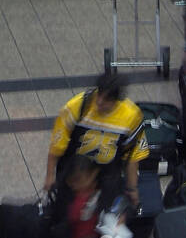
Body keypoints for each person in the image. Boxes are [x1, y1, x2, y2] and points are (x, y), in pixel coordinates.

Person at [44, 72, 148, 204]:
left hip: (107, 180)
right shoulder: (76, 107)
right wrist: (50, 175)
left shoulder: (132, 117)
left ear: (117, 100)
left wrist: (132, 189)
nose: (99, 102)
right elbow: (57, 145)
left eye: (106, 100)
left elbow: (133, 156)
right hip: (74, 176)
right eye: (99, 94)